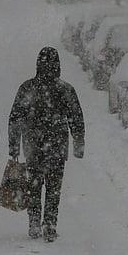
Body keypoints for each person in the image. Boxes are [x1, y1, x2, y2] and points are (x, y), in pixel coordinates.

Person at [8, 47, 85, 242]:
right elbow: (76, 117)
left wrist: (14, 145)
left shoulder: (27, 88)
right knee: (53, 186)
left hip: (33, 144)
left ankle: (34, 221)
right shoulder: (65, 89)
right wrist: (78, 143)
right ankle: (50, 223)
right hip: (57, 145)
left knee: (34, 184)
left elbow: (15, 118)